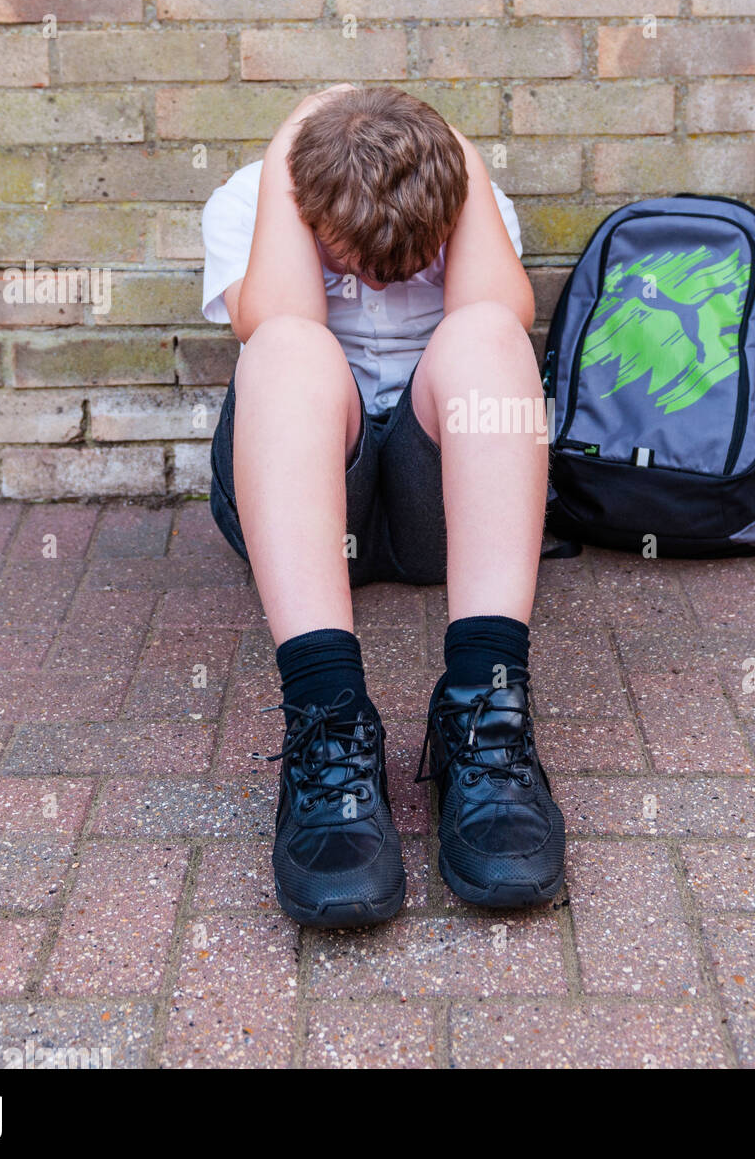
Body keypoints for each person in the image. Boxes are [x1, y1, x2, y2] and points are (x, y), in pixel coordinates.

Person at [200, 83, 565, 926]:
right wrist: (292, 148)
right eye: (351, 259)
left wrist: (460, 157)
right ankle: (328, 723)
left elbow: (507, 314)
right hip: (305, 510)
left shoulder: (464, 193)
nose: (375, 278)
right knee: (287, 345)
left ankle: (486, 711)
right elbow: (274, 317)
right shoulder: (252, 201)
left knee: (488, 336)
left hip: (437, 511)